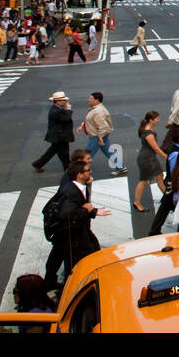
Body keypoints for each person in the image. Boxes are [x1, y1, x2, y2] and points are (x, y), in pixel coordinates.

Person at [48, 159, 103, 292]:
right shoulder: (72, 192)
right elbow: (67, 214)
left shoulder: (76, 186)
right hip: (72, 235)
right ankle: (70, 291)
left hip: (71, 232)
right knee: (76, 263)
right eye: (88, 170)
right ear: (79, 175)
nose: (90, 172)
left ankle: (52, 283)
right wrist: (87, 210)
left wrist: (91, 211)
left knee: (61, 257)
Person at [80, 92, 124, 175]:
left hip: (96, 136)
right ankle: (121, 167)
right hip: (99, 135)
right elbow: (91, 120)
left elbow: (103, 127)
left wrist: (100, 138)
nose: (89, 100)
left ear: (97, 100)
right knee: (108, 151)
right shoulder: (95, 109)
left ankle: (81, 172)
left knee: (87, 155)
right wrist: (83, 125)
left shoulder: (98, 111)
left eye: (91, 98)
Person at [132, 111, 167, 212]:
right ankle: (137, 203)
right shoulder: (148, 133)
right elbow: (156, 149)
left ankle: (167, 198)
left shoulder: (149, 128)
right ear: (151, 120)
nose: (159, 120)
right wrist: (167, 158)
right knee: (143, 181)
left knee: (160, 176)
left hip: (152, 158)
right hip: (146, 160)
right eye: (157, 118)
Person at [33, 91, 75, 173]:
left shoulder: (58, 109)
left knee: (54, 151)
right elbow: (66, 118)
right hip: (59, 135)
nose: (65, 102)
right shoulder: (56, 111)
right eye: (64, 100)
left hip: (59, 135)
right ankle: (67, 167)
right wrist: (68, 109)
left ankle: (38, 164)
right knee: (63, 152)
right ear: (58, 101)